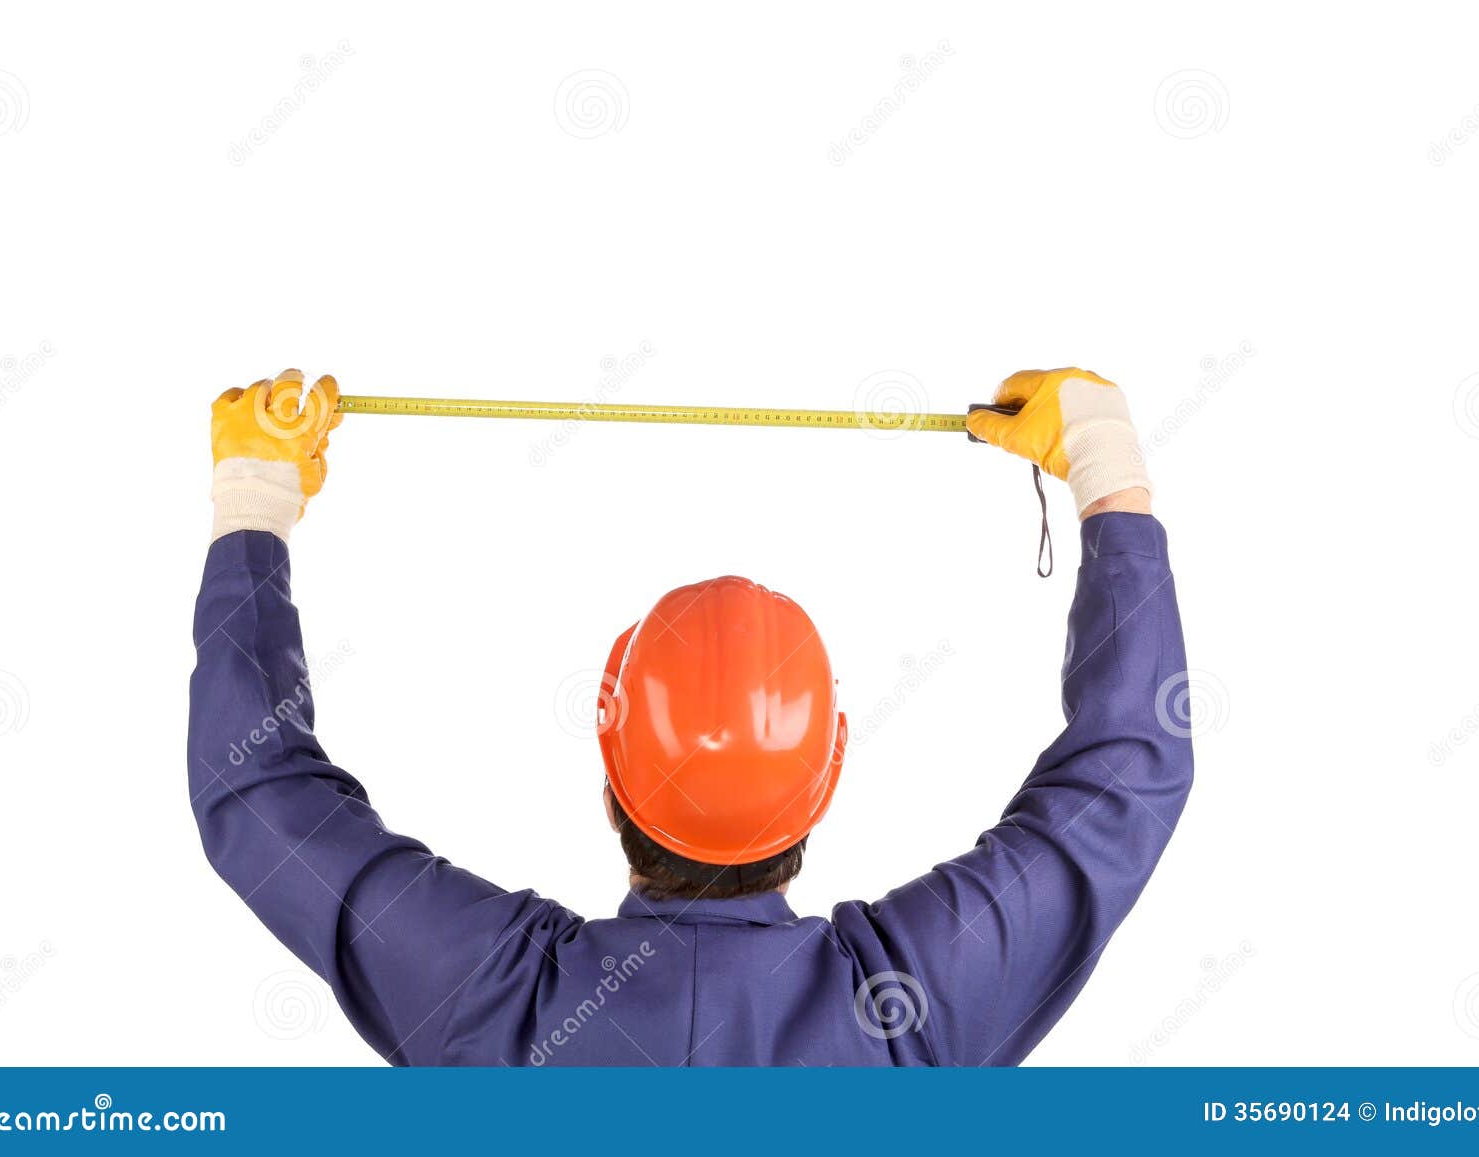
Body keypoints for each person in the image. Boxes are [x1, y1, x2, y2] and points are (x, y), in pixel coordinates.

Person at [188, 366, 1192, 1066]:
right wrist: (1103, 455)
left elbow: (257, 793)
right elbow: (1129, 773)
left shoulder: (500, 1008)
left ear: (609, 757)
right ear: (829, 768)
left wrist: (255, 492)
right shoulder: (909, 1012)